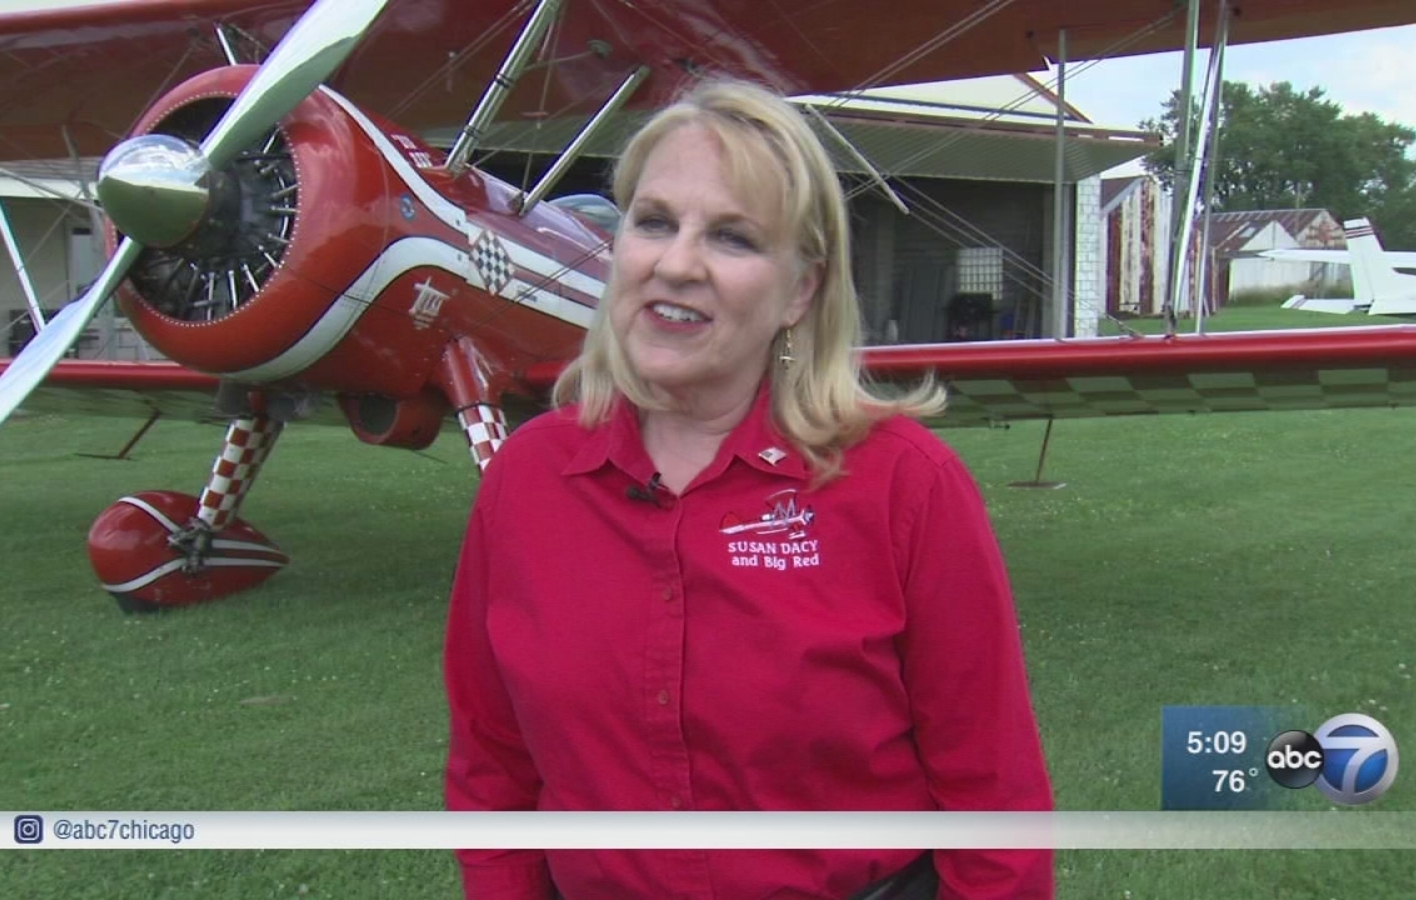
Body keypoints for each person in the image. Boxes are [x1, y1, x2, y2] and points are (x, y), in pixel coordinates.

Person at [444, 77, 1053, 899]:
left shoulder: (903, 485)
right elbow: (493, 766)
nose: (677, 263)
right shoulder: (527, 480)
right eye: (654, 222)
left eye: (732, 238)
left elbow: (996, 802)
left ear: (800, 290)